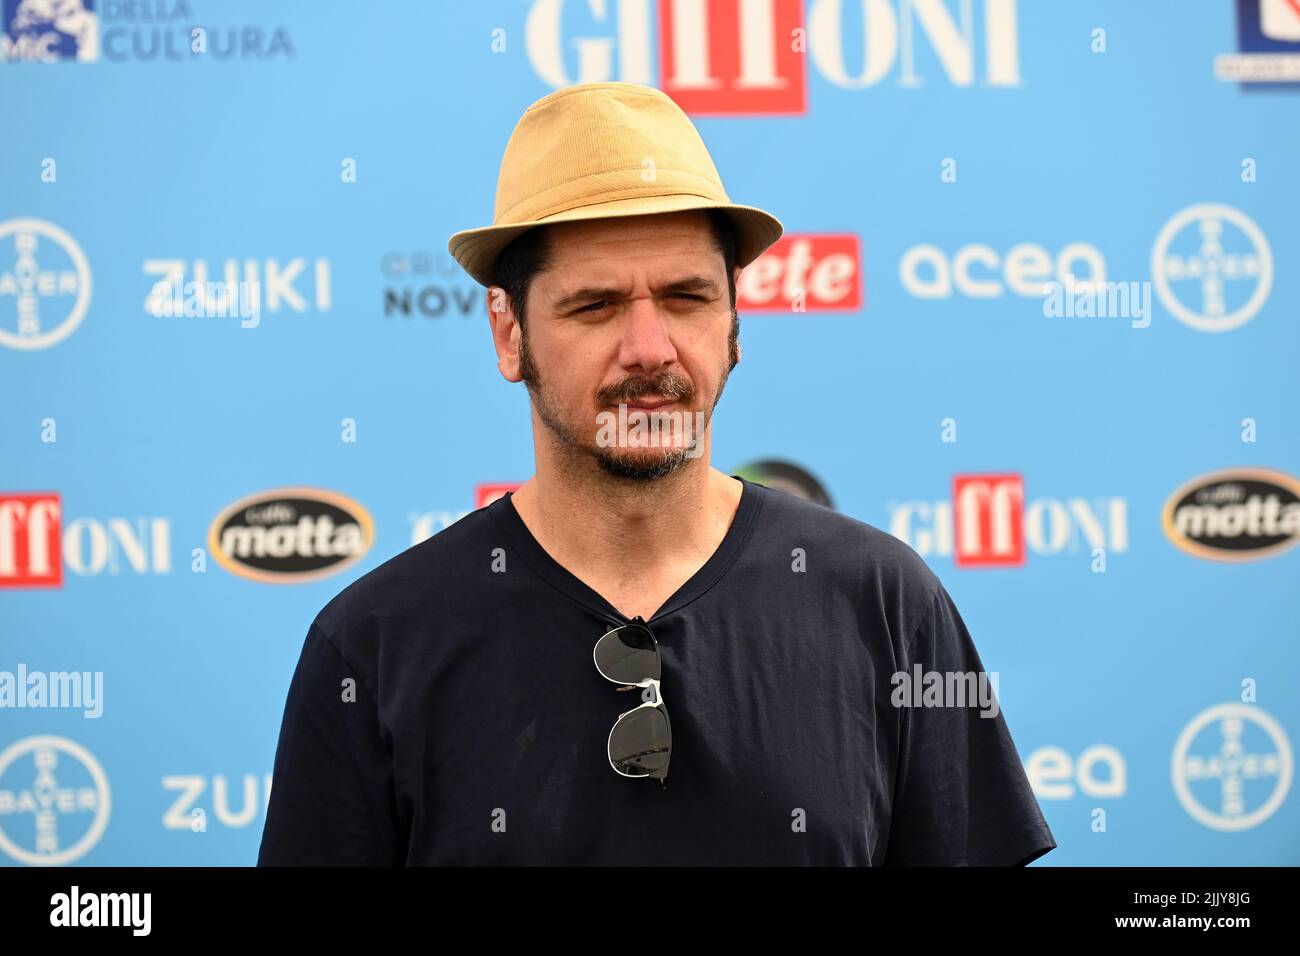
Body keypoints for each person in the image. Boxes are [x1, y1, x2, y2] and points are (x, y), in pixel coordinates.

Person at [256, 81, 1057, 866]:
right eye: (595, 305)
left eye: (685, 297)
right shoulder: (374, 646)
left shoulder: (883, 601)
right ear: (509, 334)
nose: (649, 348)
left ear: (735, 320)